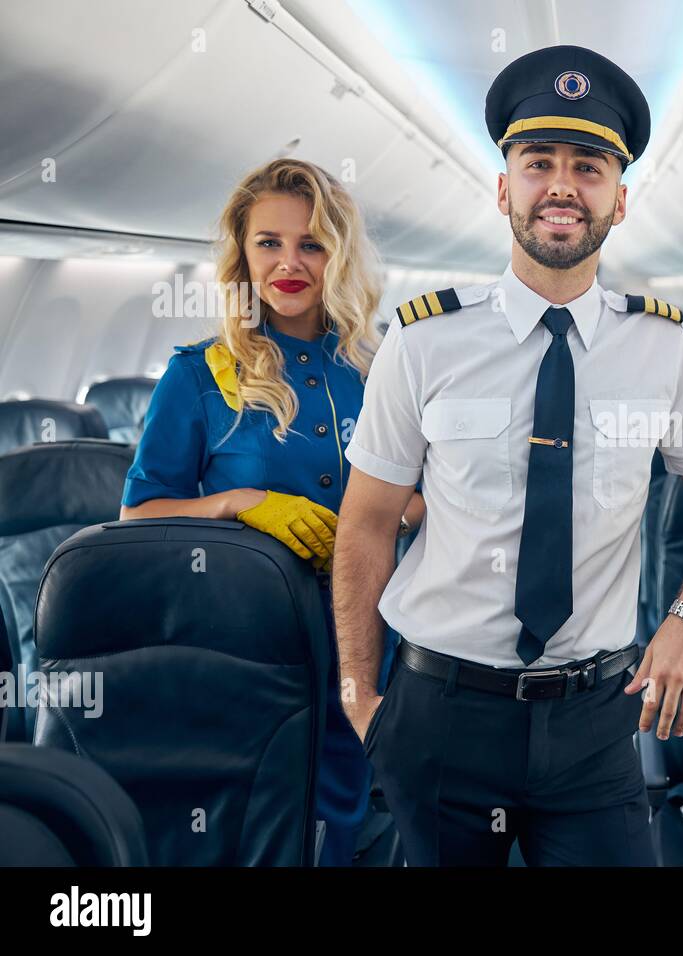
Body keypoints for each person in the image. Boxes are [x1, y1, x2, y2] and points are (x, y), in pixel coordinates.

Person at [332, 45, 683, 867]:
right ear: (505, 189)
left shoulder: (662, 345)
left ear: (620, 199)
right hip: (440, 710)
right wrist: (361, 695)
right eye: (539, 163)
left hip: (596, 720)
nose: (562, 185)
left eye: (589, 166)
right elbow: (366, 525)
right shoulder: (423, 341)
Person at [119, 158, 423, 865]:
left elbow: (421, 500)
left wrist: (393, 515)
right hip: (244, 657)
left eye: (312, 244)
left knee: (351, 829)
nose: (289, 262)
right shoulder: (200, 373)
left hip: (368, 644)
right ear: (242, 253)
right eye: (269, 242)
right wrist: (237, 502)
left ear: (338, 255)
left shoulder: (380, 369)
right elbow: (138, 517)